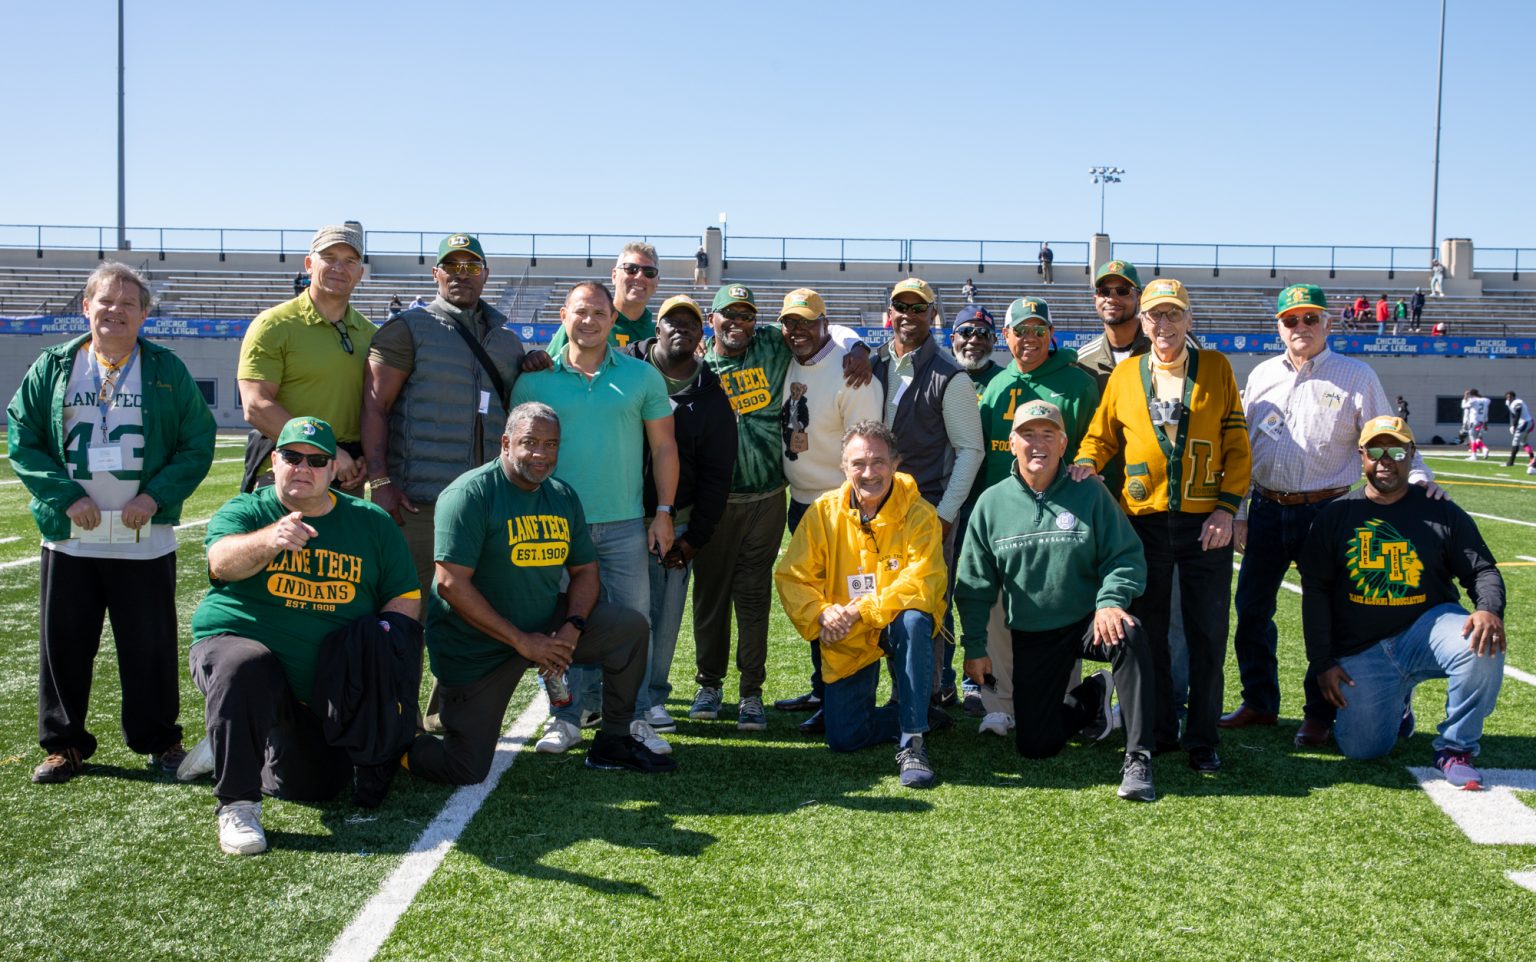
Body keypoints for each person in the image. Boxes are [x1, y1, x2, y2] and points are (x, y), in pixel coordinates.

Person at [8, 261, 216, 784]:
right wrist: (63, 495)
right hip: (71, 538)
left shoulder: (165, 369)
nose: (115, 310)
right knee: (65, 645)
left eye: (128, 303)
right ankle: (64, 744)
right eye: (105, 300)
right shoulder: (54, 366)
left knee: (148, 645)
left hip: (142, 538)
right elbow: (23, 436)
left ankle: (159, 739)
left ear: (145, 314)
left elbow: (197, 441)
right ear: (86, 306)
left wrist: (154, 496)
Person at [187, 417, 422, 855]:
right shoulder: (249, 511)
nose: (303, 468)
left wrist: (376, 648)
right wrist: (272, 540)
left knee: (314, 786)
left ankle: (230, 738)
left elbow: (404, 597)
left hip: (322, 687)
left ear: (333, 470)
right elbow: (221, 563)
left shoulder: (369, 523)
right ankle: (237, 804)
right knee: (246, 667)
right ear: (274, 461)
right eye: (292, 457)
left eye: (317, 461)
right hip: (238, 650)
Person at [408, 403, 676, 784]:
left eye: (551, 445)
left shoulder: (561, 495)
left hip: (542, 624)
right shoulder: (470, 494)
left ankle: (614, 739)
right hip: (477, 643)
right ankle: (399, 745)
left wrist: (572, 627)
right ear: (505, 443)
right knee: (463, 768)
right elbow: (451, 584)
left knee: (629, 628)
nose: (541, 454)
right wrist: (523, 642)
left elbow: (585, 570)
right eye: (530, 443)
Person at [1221, 283, 1440, 748]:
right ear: (1278, 326)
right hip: (1265, 507)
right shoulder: (1260, 376)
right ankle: (1259, 701)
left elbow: (1390, 436)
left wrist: (1418, 478)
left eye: (1310, 318)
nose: (1301, 327)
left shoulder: (1356, 375)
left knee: (1326, 616)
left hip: (1329, 509)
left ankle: (1319, 712)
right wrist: (1239, 511)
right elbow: (1241, 451)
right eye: (1291, 320)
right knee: (1251, 610)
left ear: (1328, 322)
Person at [1072, 278, 1250, 772]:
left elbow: (1236, 445)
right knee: (1148, 632)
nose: (1164, 324)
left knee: (1207, 632)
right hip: (1144, 523)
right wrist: (1086, 461)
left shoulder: (1215, 367)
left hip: (1204, 524)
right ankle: (1158, 728)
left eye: (1174, 314)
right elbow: (1100, 435)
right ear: (1143, 322)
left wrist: (1227, 508)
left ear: (1189, 320)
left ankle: (1203, 736)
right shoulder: (1127, 373)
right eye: (1155, 315)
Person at [956, 399, 1156, 802]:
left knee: (1130, 635)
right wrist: (976, 648)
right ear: (1011, 444)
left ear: (1064, 444)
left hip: (1088, 620)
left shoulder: (1090, 493)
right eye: (1028, 435)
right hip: (1033, 633)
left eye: (1048, 435)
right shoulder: (991, 503)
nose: (1037, 444)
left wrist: (1110, 602)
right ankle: (1090, 699)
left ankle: (1139, 757)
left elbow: (1125, 556)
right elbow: (973, 584)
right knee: (1036, 746)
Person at [510, 281, 679, 754]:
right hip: (553, 526)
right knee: (566, 620)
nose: (589, 321)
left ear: (612, 318)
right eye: (580, 311)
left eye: (599, 313)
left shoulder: (642, 377)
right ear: (563, 315)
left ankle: (637, 716)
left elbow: (664, 446)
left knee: (634, 622)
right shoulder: (533, 381)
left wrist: (662, 511)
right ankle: (566, 716)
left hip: (624, 522)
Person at [695, 284, 870, 729]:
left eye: (746, 315)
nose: (737, 323)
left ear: (757, 321)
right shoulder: (695, 365)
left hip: (768, 496)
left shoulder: (772, 345)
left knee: (754, 598)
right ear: (710, 319)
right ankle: (708, 685)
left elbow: (825, 330)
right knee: (710, 597)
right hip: (714, 500)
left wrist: (859, 345)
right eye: (727, 315)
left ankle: (751, 691)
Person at [1298, 416, 1505, 789]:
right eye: (1375, 450)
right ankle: (1399, 704)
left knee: (1480, 644)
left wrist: (1488, 607)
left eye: (1396, 450)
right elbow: (1315, 593)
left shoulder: (1439, 509)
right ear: (1361, 455)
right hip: (1363, 649)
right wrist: (1323, 662)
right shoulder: (1336, 515)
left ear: (1412, 454)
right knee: (1362, 749)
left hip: (1427, 630)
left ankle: (1455, 748)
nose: (1385, 460)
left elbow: (1482, 570)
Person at [774, 420, 947, 788]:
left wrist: (858, 610)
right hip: (848, 633)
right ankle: (918, 713)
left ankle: (913, 739)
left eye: (878, 462)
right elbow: (792, 576)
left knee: (915, 620)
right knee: (844, 738)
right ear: (843, 468)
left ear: (896, 463)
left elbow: (922, 581)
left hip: (889, 620)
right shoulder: (823, 512)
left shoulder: (920, 514)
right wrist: (823, 612)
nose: (869, 473)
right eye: (858, 464)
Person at [361, 232, 526, 594]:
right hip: (420, 504)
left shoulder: (507, 341)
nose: (460, 273)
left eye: (470, 266)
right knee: (411, 607)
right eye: (450, 265)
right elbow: (375, 406)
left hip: (486, 503)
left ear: (486, 273)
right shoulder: (406, 329)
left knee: (480, 609)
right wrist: (381, 483)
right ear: (436, 273)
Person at [972, 296, 1099, 735]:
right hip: (1001, 509)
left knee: (1061, 601)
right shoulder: (995, 385)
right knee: (997, 607)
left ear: (1051, 334)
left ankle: (1066, 693)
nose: (1029, 339)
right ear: (1005, 336)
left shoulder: (1077, 384)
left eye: (1038, 330)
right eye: (1020, 331)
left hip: (1059, 508)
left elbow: (1091, 445)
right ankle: (998, 702)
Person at [622, 296, 737, 736]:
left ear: (702, 332)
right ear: (658, 324)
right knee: (611, 611)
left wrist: (695, 539)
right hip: (617, 515)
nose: (681, 330)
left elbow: (716, 475)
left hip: (677, 521)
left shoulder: (711, 398)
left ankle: (651, 697)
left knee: (664, 617)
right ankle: (595, 697)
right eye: (673, 320)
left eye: (691, 323)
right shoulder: (626, 370)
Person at [773, 288, 883, 731]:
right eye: (790, 323)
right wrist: (855, 339)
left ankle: (844, 699)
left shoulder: (853, 374)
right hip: (800, 503)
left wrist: (857, 346)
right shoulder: (791, 358)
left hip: (840, 508)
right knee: (815, 602)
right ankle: (823, 688)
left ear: (825, 323)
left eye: (807, 323)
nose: (797, 332)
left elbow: (866, 450)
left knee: (848, 608)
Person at [872, 277, 984, 703]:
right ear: (890, 311)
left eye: (919, 308)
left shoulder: (950, 376)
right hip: (881, 509)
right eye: (901, 305)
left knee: (929, 605)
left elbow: (970, 451)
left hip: (928, 509)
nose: (908, 315)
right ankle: (905, 693)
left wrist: (944, 513)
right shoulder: (876, 361)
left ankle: (928, 697)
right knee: (885, 602)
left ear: (933, 315)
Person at [238, 224, 372, 493]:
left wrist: (371, 458)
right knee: (285, 537)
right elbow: (255, 404)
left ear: (360, 273)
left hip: (346, 474)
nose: (339, 267)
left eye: (349, 261)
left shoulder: (371, 334)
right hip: (289, 470)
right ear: (309, 264)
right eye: (329, 258)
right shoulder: (274, 324)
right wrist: (327, 450)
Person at [944, 304, 1006, 711]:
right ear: (953, 338)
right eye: (966, 332)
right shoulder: (943, 376)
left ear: (994, 340)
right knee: (942, 592)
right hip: (947, 501)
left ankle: (979, 676)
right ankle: (942, 678)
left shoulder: (1005, 382)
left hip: (990, 506)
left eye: (982, 333)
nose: (974, 340)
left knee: (984, 593)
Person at [545, 242, 661, 356]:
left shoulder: (660, 335)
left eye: (649, 272)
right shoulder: (582, 326)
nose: (640, 276)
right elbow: (548, 368)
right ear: (614, 275)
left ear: (657, 282)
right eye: (631, 269)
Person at [1504, 390, 1534, 471]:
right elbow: (1513, 415)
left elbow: (1518, 413)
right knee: (1524, 442)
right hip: (1527, 422)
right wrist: (1513, 425)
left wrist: (1514, 425)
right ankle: (1532, 458)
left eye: (1510, 397)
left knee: (1515, 442)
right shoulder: (1508, 403)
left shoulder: (1517, 402)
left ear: (1513, 397)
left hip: (1525, 422)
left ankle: (1511, 462)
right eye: (1507, 397)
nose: (1508, 398)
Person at [1461, 389, 1490, 461]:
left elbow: (1463, 406)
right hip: (1481, 421)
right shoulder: (1485, 400)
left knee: (1472, 438)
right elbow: (1486, 412)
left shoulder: (1473, 400)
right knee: (1476, 437)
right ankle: (1483, 449)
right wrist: (1486, 423)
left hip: (1474, 421)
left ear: (1471, 394)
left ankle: (1475, 454)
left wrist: (1465, 397)